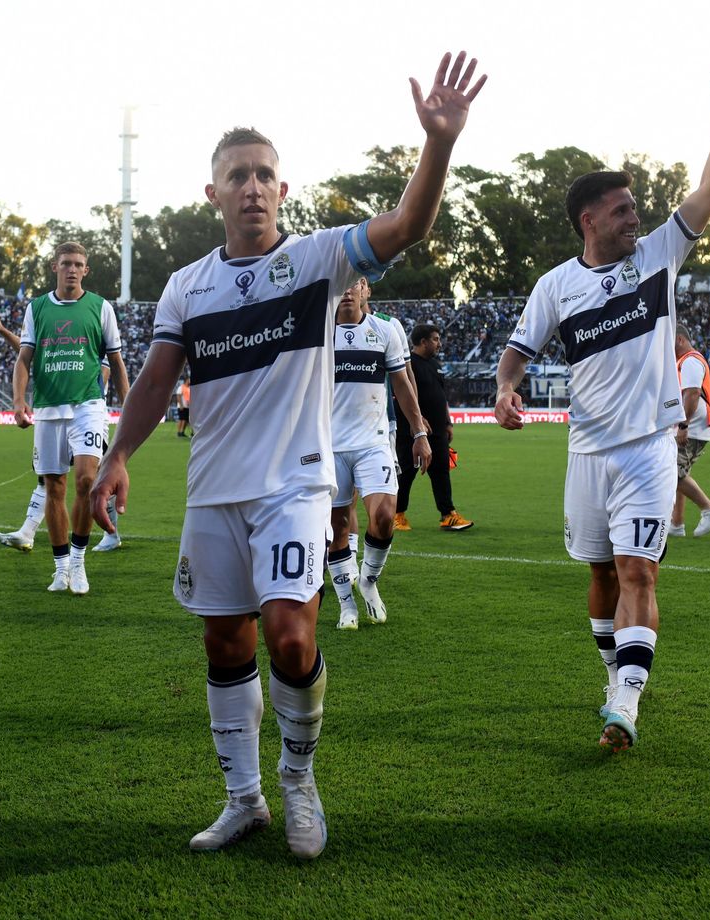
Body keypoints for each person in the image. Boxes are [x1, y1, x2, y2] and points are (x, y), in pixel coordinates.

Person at [92, 51, 485, 858]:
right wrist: (118, 455)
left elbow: (409, 225)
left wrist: (438, 143)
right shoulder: (185, 286)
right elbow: (158, 378)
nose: (252, 186)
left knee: (291, 638)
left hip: (295, 488)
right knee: (224, 643)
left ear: (281, 186)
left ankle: (298, 782)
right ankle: (244, 800)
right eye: (236, 174)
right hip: (213, 493)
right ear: (213, 193)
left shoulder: (316, 260)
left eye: (264, 173)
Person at [495, 66, 710, 752]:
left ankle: (626, 702)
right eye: (623, 210)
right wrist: (504, 388)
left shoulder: (660, 255)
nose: (637, 217)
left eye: (637, 208)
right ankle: (614, 675)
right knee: (601, 571)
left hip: (647, 447)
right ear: (590, 219)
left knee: (640, 569)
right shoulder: (554, 287)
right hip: (586, 452)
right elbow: (517, 353)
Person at [4, 243, 129, 594]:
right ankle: (60, 570)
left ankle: (78, 561)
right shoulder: (37, 308)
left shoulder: (101, 308)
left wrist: (129, 407)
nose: (72, 269)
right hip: (46, 409)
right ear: (54, 267)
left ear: (86, 270)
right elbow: (24, 359)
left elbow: (116, 363)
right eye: (66, 264)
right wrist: (17, 401)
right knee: (53, 489)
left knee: (87, 480)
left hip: (88, 406)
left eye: (78, 265)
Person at [326, 278, 430, 630]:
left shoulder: (385, 330)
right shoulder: (318, 332)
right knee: (336, 525)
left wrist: (418, 432)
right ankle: (346, 606)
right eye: (340, 284)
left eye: (354, 284)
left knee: (385, 516)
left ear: (366, 290)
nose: (347, 291)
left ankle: (368, 580)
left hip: (374, 442)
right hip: (328, 446)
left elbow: (402, 382)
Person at [0, 313, 125, 553]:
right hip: (56, 410)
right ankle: (27, 532)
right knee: (47, 477)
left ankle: (111, 534)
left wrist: (76, 385)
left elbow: (104, 372)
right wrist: (4, 331)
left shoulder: (95, 336)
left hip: (88, 413)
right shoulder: (58, 335)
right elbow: (29, 351)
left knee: (97, 477)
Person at [395, 323, 473, 531]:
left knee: (441, 472)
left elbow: (441, 395)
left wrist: (448, 422)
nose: (439, 344)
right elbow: (403, 395)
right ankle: (397, 514)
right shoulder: (407, 364)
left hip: (437, 431)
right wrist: (418, 419)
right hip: (413, 431)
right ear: (423, 342)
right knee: (407, 472)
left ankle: (448, 515)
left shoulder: (434, 364)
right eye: (436, 339)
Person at [670, 330, 710, 537]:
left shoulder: (690, 361)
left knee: (671, 472)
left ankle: (709, 509)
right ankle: (676, 524)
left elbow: (692, 394)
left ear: (680, 339)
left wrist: (683, 426)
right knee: (680, 472)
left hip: (691, 428)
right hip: (694, 427)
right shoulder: (688, 361)